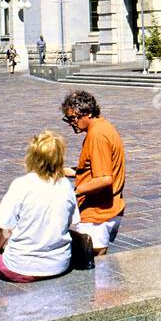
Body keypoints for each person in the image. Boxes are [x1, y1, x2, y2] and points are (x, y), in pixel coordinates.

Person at [0, 131, 79, 282]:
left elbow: (3, 229)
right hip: (58, 263)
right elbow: (70, 221)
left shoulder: (22, 184)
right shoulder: (65, 185)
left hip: (20, 265)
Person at [61, 89, 125, 256]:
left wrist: (73, 192)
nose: (71, 123)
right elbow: (95, 168)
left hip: (98, 212)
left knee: (94, 267)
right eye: (67, 119)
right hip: (103, 210)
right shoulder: (103, 127)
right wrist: (65, 171)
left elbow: (104, 178)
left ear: (87, 113)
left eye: (72, 118)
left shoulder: (97, 136)